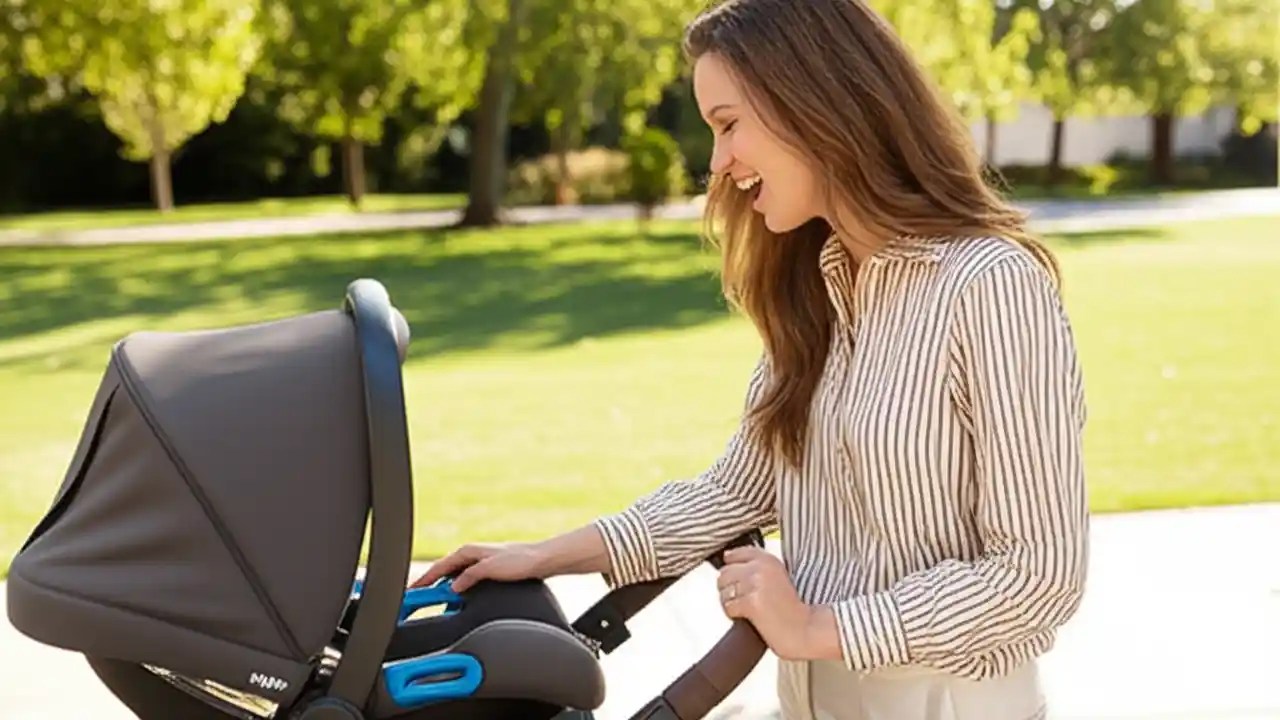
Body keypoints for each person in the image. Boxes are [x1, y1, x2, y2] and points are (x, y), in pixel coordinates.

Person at [413, 0, 1089, 717]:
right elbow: (732, 492)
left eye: (728, 124)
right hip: (808, 701)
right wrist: (547, 554)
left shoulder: (990, 286)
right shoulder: (823, 294)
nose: (719, 163)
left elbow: (1038, 573)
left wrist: (819, 627)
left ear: (813, 104)